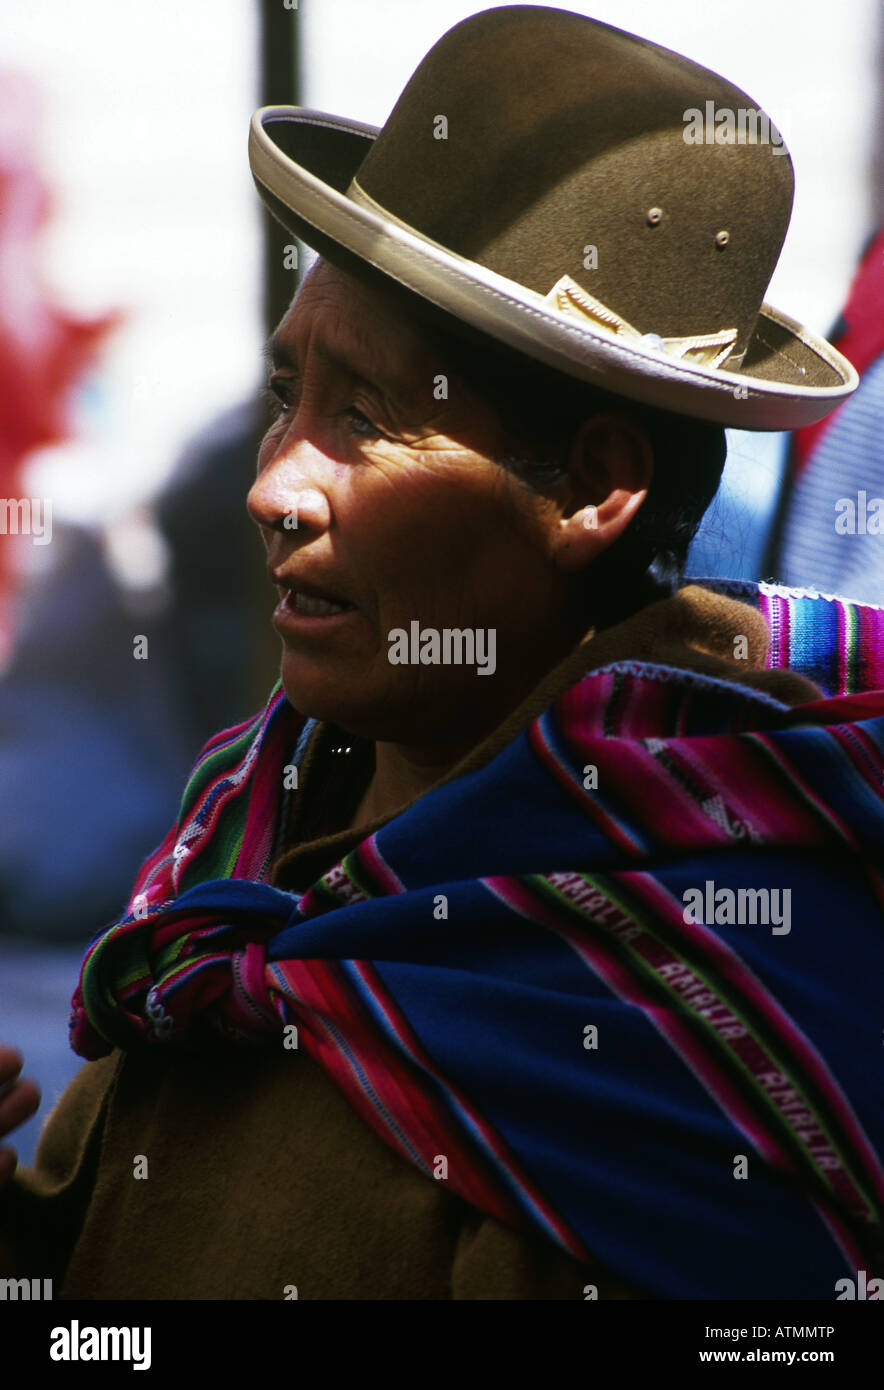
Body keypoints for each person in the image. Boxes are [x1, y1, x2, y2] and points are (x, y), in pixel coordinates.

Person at [1, 6, 882, 1300]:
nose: (273, 486)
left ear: (592, 489)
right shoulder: (251, 820)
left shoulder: (715, 987)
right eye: (285, 397)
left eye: (366, 418)